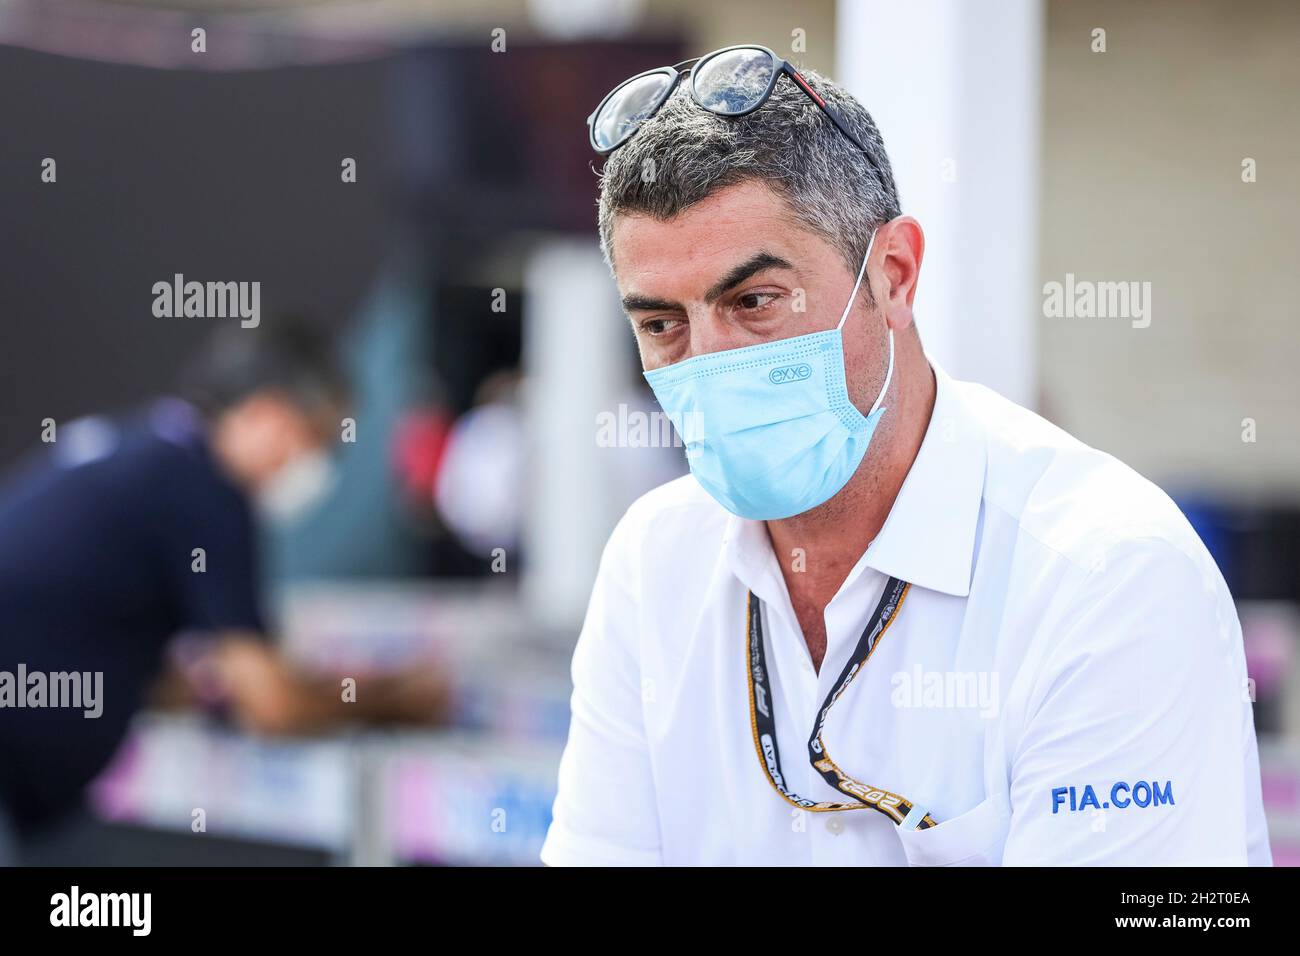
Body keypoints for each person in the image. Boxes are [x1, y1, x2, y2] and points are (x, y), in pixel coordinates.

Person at [541, 45, 1271, 866]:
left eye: (754, 302)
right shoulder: (655, 562)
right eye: (661, 326)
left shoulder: (1104, 576)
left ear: (893, 274)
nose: (708, 361)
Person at [0, 320, 445, 859]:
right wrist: (391, 701)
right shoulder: (202, 488)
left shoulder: (148, 450)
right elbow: (273, 707)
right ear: (270, 412)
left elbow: (166, 679)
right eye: (317, 438)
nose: (317, 465)